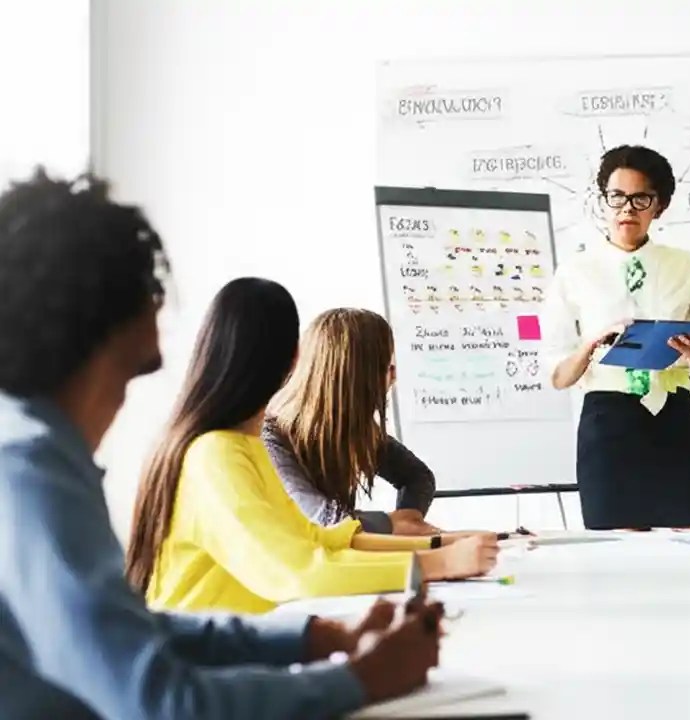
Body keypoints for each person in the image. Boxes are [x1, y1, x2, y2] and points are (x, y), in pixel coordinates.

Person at [0, 170, 441, 718]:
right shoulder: (30, 473)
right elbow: (163, 702)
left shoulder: (28, 452)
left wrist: (315, 639)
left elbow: (133, 630)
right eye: (135, 368)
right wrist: (361, 679)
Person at [127, 279, 498, 614]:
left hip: (234, 649)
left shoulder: (242, 445)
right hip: (201, 664)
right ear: (295, 359)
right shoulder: (216, 455)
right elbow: (297, 570)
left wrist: (439, 546)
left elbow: (322, 539)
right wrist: (441, 564)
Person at [541, 144, 690, 530]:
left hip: (673, 413)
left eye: (641, 198)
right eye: (617, 197)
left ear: (660, 205)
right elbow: (558, 375)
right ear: (603, 201)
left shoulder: (681, 264)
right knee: (617, 554)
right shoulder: (574, 272)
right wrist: (590, 346)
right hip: (609, 420)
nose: (627, 209)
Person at [265, 307, 441, 536]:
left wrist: (410, 517)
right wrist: (392, 525)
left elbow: (418, 476)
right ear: (356, 376)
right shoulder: (269, 437)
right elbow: (321, 518)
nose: (394, 375)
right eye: (386, 366)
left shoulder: (356, 431)